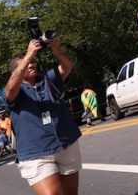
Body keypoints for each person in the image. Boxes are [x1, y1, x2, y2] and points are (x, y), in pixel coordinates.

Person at [5, 35, 82, 195]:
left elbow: (67, 66)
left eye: (33, 62)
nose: (31, 64)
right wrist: (28, 55)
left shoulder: (48, 79)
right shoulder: (12, 90)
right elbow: (11, 89)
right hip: (35, 154)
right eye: (27, 63)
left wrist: (56, 50)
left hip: (66, 143)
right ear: (15, 71)